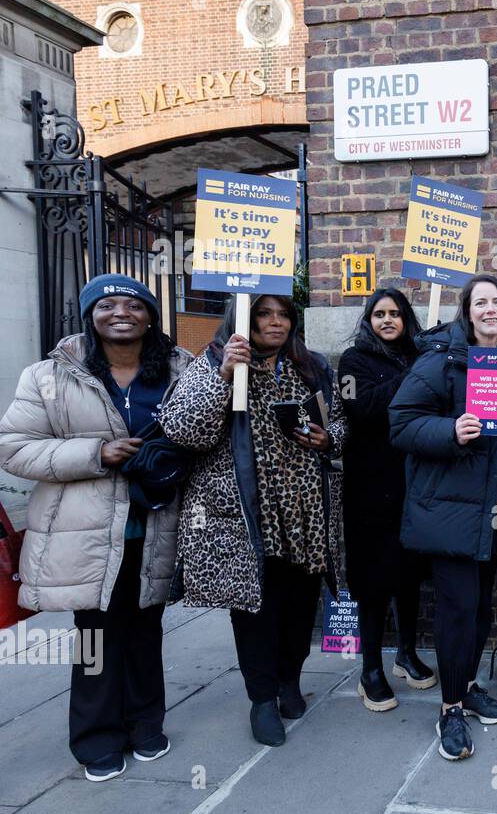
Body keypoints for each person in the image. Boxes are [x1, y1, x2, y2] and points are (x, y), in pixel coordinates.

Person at [0, 275, 191, 781]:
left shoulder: (180, 370)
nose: (121, 312)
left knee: (146, 630)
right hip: (83, 530)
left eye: (134, 304)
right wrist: (95, 453)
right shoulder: (48, 376)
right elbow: (13, 447)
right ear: (91, 315)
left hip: (153, 523)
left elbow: (202, 435)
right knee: (95, 637)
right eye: (107, 305)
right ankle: (96, 738)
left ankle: (146, 725)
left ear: (151, 316)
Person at [160, 293, 347, 748]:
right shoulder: (212, 363)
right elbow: (184, 431)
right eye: (264, 313)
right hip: (245, 514)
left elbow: (340, 424)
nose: (276, 323)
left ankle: (289, 680)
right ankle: (261, 698)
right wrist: (224, 376)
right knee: (256, 610)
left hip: (305, 511)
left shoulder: (312, 366)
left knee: (301, 605)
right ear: (242, 317)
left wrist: (328, 440)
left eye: (284, 315)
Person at [389, 275, 497, 760]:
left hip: (490, 510)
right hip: (446, 510)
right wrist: (451, 429)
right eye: (481, 302)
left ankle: (466, 686)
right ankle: (449, 709)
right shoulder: (441, 360)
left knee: (482, 605)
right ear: (467, 311)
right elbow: (400, 422)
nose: (491, 309)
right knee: (458, 608)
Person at [338, 288, 435, 712]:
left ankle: (406, 654)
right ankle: (370, 668)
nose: (388, 320)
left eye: (396, 313)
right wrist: (417, 373)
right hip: (368, 487)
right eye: (380, 313)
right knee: (373, 581)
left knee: (409, 574)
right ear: (369, 319)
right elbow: (364, 407)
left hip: (413, 482)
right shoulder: (353, 361)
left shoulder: (421, 355)